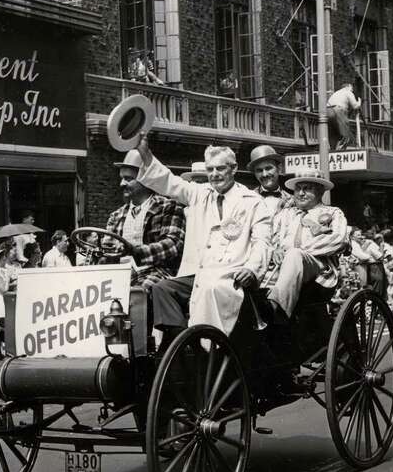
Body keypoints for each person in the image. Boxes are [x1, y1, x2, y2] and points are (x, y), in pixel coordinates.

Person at [134, 136, 271, 335]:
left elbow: (262, 242)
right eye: (210, 169)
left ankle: (208, 345)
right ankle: (184, 343)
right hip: (197, 274)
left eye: (220, 169)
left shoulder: (253, 201)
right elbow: (168, 182)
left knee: (210, 289)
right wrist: (145, 152)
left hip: (230, 278)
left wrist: (251, 269)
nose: (214, 175)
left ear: (233, 169)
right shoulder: (199, 193)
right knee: (162, 289)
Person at [266, 170, 350, 321]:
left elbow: (339, 239)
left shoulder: (333, 212)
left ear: (320, 191)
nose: (301, 193)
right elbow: (269, 237)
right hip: (280, 269)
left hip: (318, 269)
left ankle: (276, 309)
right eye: (298, 189)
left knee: (294, 255)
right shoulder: (285, 214)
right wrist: (275, 250)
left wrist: (296, 251)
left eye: (308, 188)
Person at [105, 149, 185, 290]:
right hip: (122, 273)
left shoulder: (168, 206)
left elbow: (173, 244)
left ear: (146, 180)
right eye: (122, 178)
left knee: (138, 294)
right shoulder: (116, 216)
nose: (122, 184)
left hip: (158, 272)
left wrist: (136, 251)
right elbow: (107, 247)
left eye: (128, 179)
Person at [326, 82, 361, 150]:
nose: (352, 90)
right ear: (347, 87)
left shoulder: (336, 93)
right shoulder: (347, 92)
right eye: (352, 88)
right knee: (346, 134)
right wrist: (359, 102)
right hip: (338, 110)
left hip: (327, 111)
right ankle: (341, 150)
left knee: (333, 134)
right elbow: (355, 106)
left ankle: (333, 149)